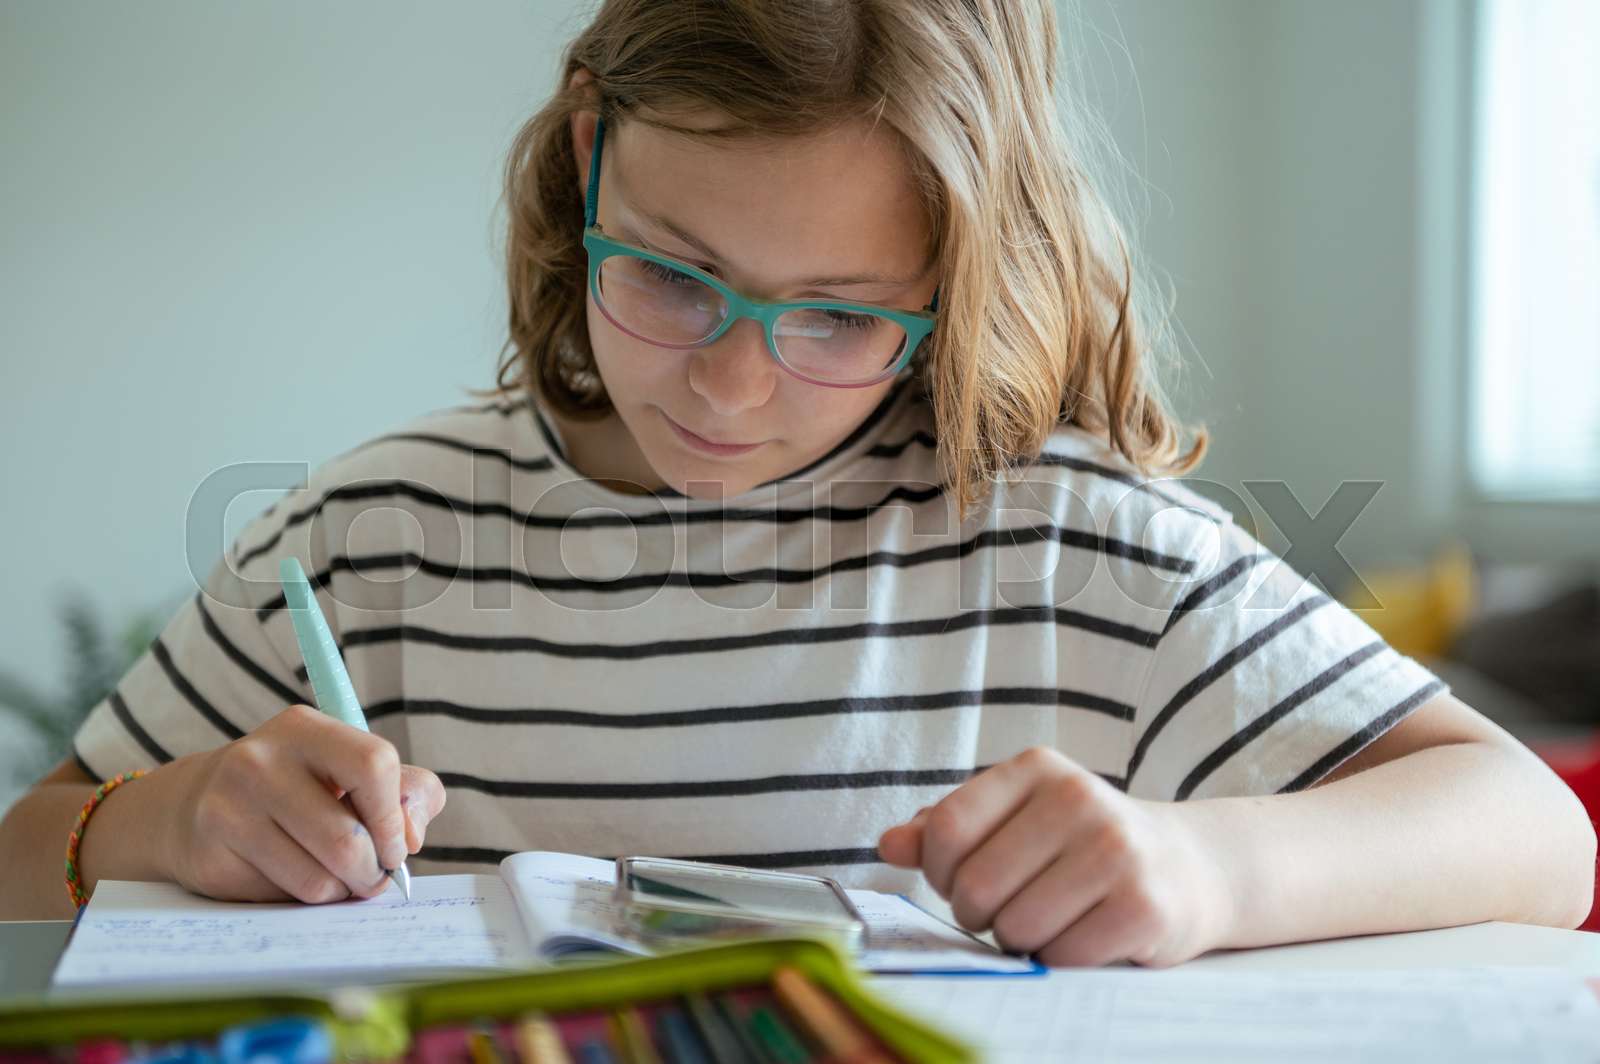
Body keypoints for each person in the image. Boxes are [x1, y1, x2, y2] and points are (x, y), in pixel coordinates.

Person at [0, 0, 1591, 968]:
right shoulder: (369, 539)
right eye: (676, 275)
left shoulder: (1068, 547)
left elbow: (1537, 833)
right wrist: (159, 817)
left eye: (835, 314)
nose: (731, 384)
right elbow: (28, 847)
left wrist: (1205, 866)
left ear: (953, 279)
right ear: (583, 160)